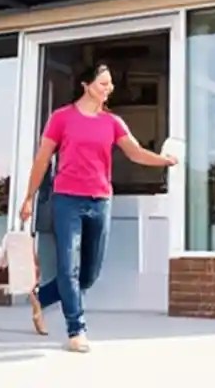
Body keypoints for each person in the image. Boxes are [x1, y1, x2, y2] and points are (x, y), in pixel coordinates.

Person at [19, 62, 178, 353]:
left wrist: (164, 160)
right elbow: (42, 160)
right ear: (86, 85)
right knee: (69, 267)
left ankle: (41, 298)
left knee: (88, 275)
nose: (109, 88)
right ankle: (76, 329)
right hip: (66, 199)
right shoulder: (61, 118)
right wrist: (28, 197)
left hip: (100, 201)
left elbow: (136, 152)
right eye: (103, 83)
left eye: (110, 84)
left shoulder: (113, 122)